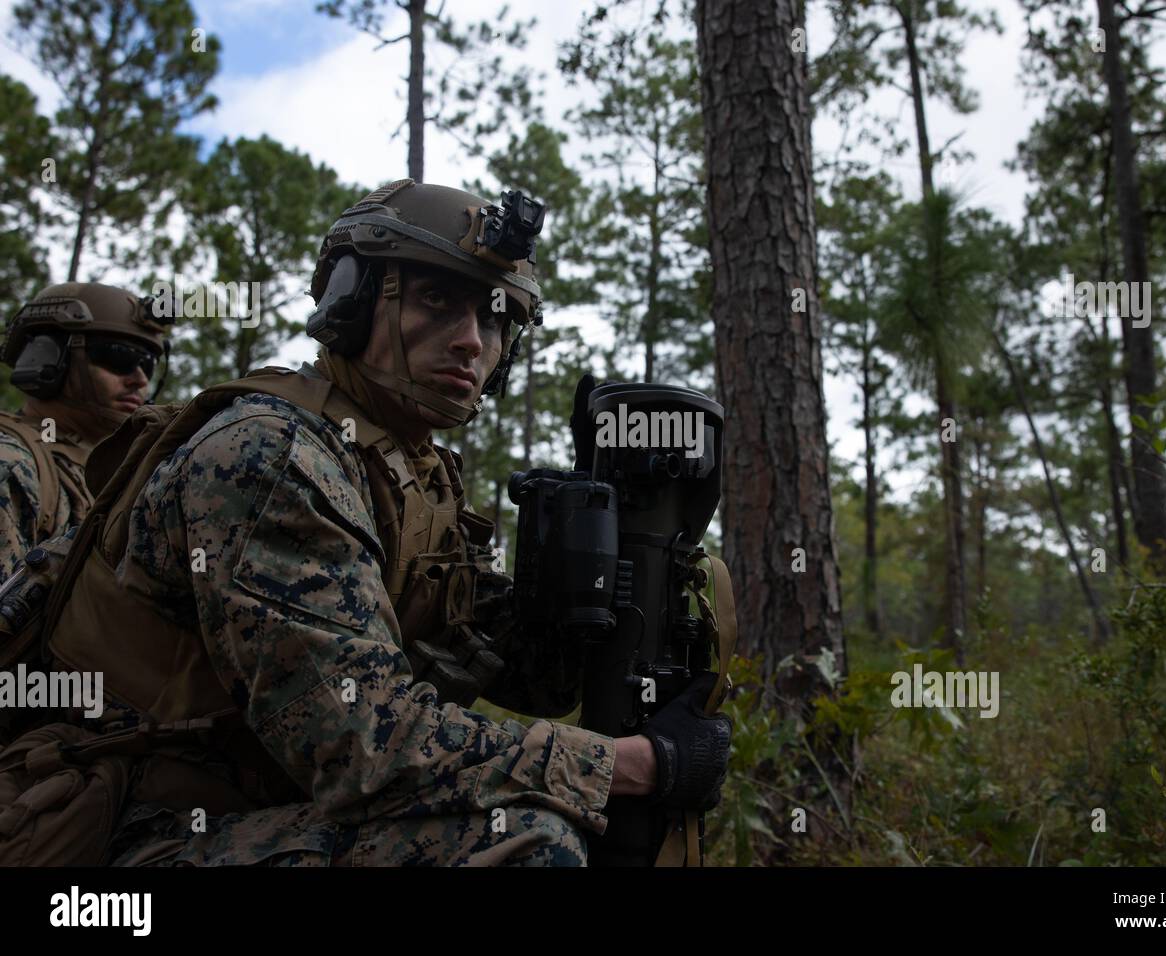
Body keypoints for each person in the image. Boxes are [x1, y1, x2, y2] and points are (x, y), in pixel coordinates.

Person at [43, 180, 731, 866]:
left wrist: (590, 595)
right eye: (437, 300)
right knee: (527, 844)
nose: (471, 341)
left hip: (256, 806)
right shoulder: (274, 454)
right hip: (124, 825)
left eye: (493, 320)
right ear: (352, 299)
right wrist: (636, 765)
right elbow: (363, 748)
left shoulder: (411, 472)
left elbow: (514, 676)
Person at [0, 282, 167, 577]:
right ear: (47, 357)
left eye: (148, 364)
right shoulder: (11, 464)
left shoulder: (131, 476)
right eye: (119, 357)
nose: (140, 379)